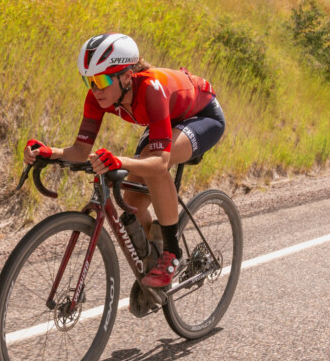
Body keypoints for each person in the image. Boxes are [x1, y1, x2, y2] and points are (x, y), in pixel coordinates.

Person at [24, 33, 225, 288]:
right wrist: (48, 152)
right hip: (164, 117)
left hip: (202, 116)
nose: (95, 89)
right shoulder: (98, 98)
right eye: (89, 80)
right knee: (133, 202)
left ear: (127, 77)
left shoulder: (150, 89)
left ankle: (172, 254)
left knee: (152, 164)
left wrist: (120, 161)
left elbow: (160, 163)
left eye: (101, 79)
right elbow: (80, 150)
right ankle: (155, 252)